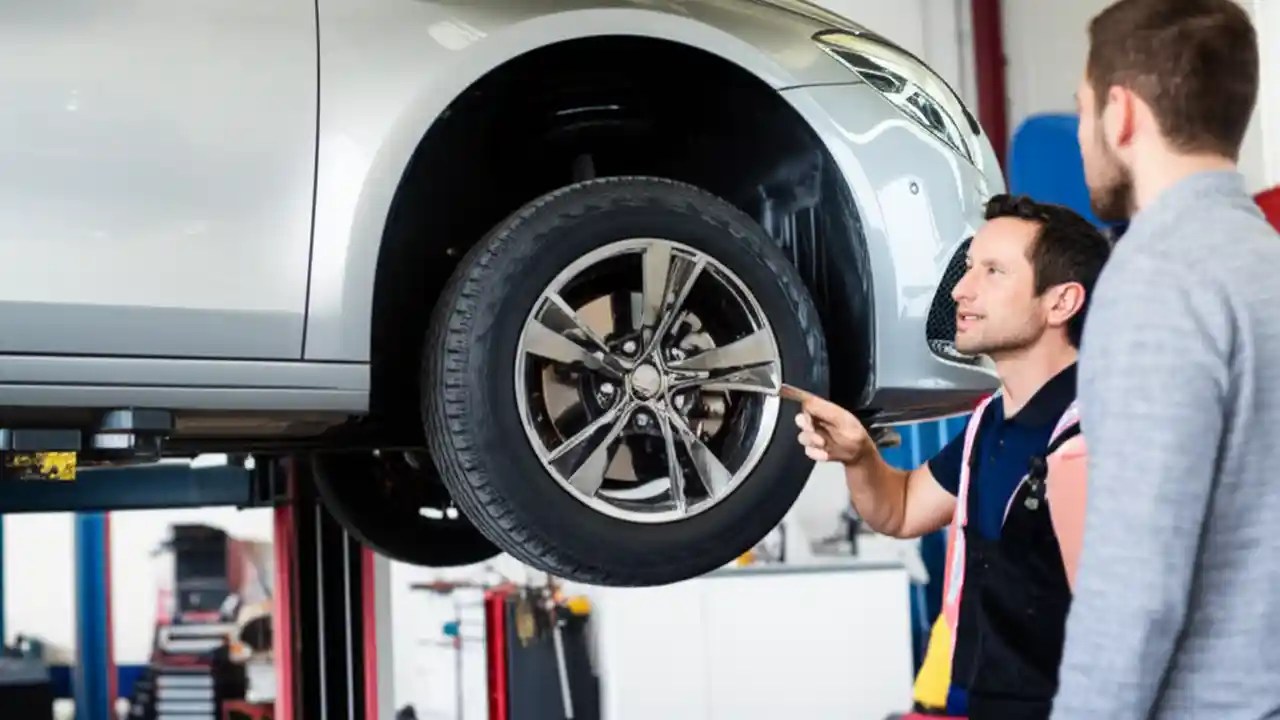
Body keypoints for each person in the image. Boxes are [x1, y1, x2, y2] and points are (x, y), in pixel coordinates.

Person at [794, 194, 1112, 719]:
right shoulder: (987, 424)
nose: (961, 290)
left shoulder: (1097, 432)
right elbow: (898, 509)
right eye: (967, 268)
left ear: (1061, 302)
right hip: (985, 700)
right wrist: (859, 456)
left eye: (993, 272)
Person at [1051, 1, 1280, 717]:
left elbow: (1135, 585)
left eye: (1083, 110)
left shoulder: (1157, 278)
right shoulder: (1266, 264)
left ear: (1121, 114)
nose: (1084, 135)